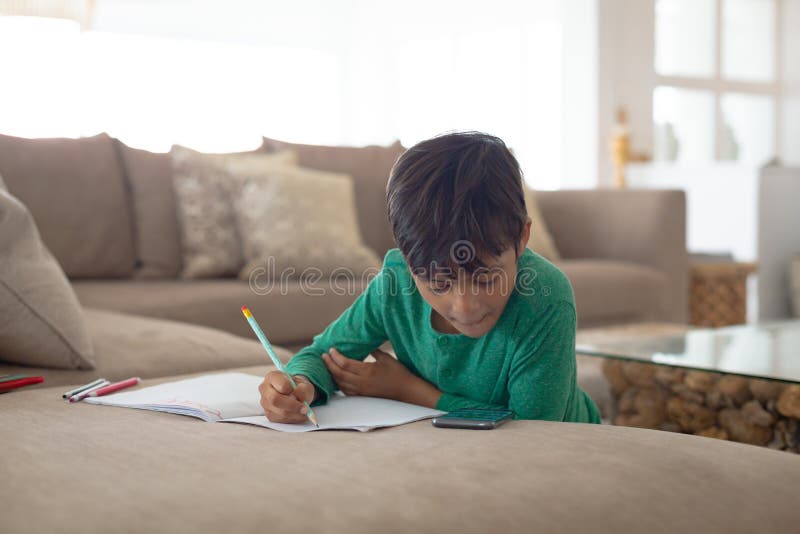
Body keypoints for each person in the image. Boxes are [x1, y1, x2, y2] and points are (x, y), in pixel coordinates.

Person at [258, 131, 601, 424]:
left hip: (575, 446)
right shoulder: (397, 284)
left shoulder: (545, 298)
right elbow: (321, 355)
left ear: (522, 238)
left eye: (485, 280)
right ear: (408, 262)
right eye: (438, 284)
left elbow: (533, 431)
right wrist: (299, 383)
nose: (464, 307)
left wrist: (410, 391)